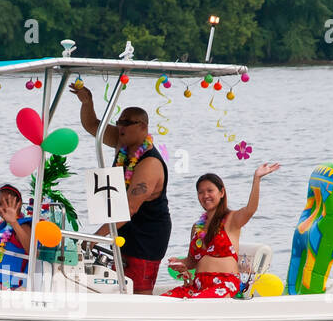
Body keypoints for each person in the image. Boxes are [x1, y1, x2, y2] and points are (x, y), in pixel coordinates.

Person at [68, 83, 170, 294]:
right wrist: (87, 102)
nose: (120, 126)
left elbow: (130, 208)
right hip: (123, 227)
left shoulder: (149, 163)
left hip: (147, 234)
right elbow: (93, 126)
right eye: (119, 121)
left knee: (138, 290)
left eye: (127, 122)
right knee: (119, 282)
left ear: (143, 127)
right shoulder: (121, 143)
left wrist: (94, 238)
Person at [164, 164, 280, 298]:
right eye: (200, 192)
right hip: (198, 285)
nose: (205, 195)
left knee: (195, 303)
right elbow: (192, 261)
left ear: (222, 192)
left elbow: (250, 209)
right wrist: (180, 263)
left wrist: (257, 179)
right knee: (163, 301)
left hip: (224, 284)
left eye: (209, 190)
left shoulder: (232, 219)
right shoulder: (197, 227)